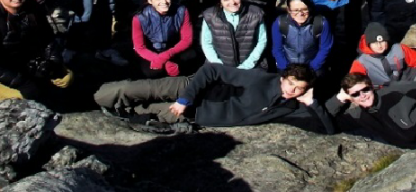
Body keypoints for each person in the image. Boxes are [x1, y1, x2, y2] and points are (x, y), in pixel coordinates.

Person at [94, 62, 332, 133]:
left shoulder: (290, 107)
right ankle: (93, 98)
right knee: (134, 89)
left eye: (298, 88)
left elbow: (328, 131)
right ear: (283, 78)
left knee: (139, 113)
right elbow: (210, 70)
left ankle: (112, 108)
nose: (292, 90)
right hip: (189, 89)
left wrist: (313, 103)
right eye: (290, 83)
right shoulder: (261, 79)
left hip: (196, 114)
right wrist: (185, 98)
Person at [131, 0, 196, 78]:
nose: (164, 2)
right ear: (150, 0)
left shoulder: (182, 11)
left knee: (192, 56)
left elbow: (187, 40)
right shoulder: (139, 18)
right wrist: (163, 61)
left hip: (173, 49)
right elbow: (140, 47)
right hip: (152, 51)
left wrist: (167, 55)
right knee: (151, 71)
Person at [349, 21, 416, 87]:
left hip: (407, 80)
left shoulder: (398, 48)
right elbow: (354, 82)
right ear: (368, 44)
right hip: (384, 90)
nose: (379, 45)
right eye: (375, 43)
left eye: (383, 41)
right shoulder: (361, 62)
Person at [201, 0, 267, 69]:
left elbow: (262, 41)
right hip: (220, 67)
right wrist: (218, 65)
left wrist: (247, 65)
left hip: (251, 66)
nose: (232, 2)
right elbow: (206, 43)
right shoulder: (210, 16)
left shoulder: (256, 14)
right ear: (220, 2)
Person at [271, 0, 334, 74]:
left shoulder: (321, 22)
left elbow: (325, 48)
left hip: (313, 66)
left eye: (304, 9)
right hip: (287, 66)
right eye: (295, 10)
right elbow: (277, 49)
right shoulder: (280, 22)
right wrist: (286, 68)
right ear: (289, 10)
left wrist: (311, 68)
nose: (300, 13)